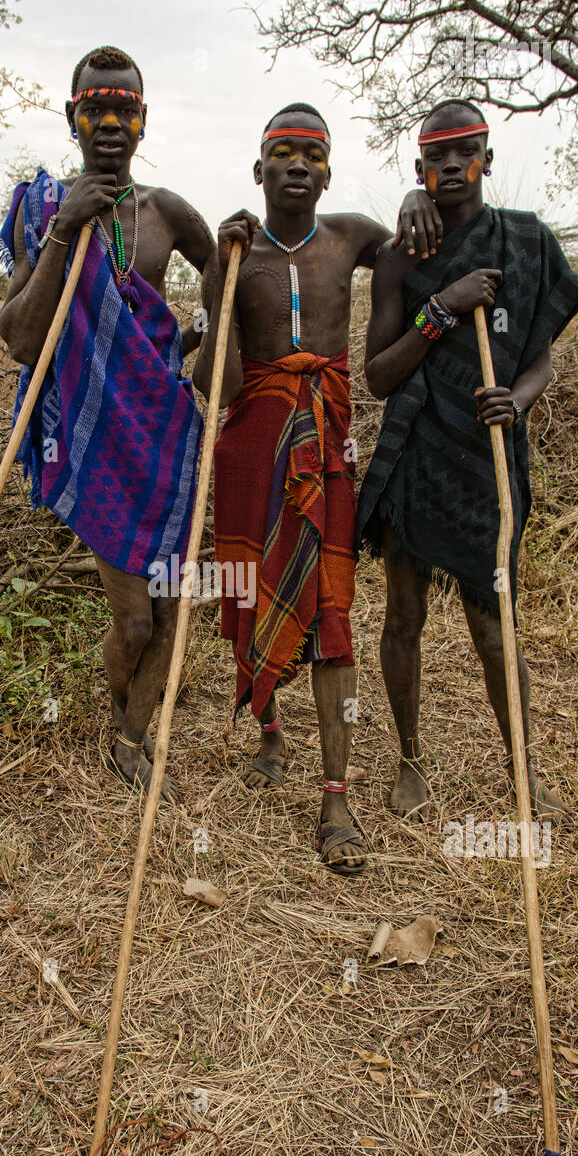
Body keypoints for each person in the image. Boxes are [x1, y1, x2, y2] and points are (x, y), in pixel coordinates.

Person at [194, 103, 440, 874]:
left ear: (326, 169)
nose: (296, 165)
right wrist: (216, 293)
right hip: (250, 445)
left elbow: (408, 244)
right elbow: (217, 386)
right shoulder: (234, 255)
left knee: (329, 607)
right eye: (281, 153)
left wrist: (412, 199)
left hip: (324, 447)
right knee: (252, 593)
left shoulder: (350, 237)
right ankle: (268, 729)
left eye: (311, 154)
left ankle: (336, 797)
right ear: (258, 168)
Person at [356, 98, 578, 820]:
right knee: (404, 617)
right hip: (415, 455)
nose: (450, 166)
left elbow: (540, 360)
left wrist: (516, 401)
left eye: (464, 152)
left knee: (493, 628)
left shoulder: (525, 243)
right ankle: (409, 762)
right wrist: (442, 309)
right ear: (418, 166)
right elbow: (376, 376)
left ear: (485, 155)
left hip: (488, 456)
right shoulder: (401, 259)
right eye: (435, 157)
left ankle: (524, 773)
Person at [0, 45, 214, 801]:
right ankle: (120, 701)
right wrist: (63, 232)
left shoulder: (166, 213)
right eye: (97, 109)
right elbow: (24, 338)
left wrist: (200, 334)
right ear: (72, 118)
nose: (111, 123)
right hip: (100, 448)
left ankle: (131, 735)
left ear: (143, 122)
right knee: (135, 624)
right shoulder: (44, 212)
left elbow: (225, 278)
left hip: (163, 437)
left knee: (172, 610)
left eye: (126, 110)